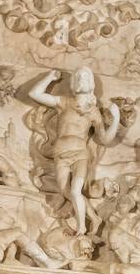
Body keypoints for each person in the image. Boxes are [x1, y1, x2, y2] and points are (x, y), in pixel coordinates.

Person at [28, 67, 120, 236]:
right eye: (77, 77)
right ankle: (94, 217)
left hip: (79, 155)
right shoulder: (64, 102)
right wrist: (49, 78)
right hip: (60, 154)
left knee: (75, 191)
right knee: (66, 191)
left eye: (85, 77)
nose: (80, 80)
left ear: (91, 83)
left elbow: (105, 139)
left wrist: (116, 119)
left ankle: (81, 227)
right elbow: (34, 94)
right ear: (73, 83)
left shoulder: (93, 111)